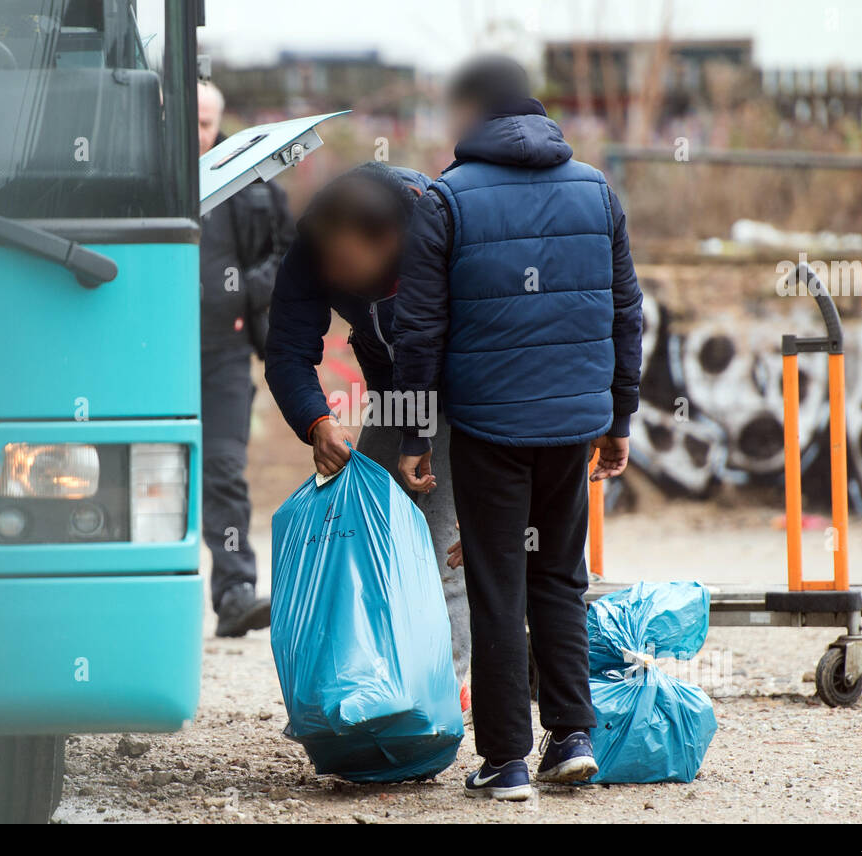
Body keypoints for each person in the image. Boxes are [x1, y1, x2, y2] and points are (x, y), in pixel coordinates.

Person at [391, 55, 644, 800]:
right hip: (571, 424)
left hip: (488, 426)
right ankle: (571, 735)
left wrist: (412, 437)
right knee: (561, 575)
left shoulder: (448, 198)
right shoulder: (596, 191)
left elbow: (418, 330)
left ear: (477, 123)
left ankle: (504, 761)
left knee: (497, 583)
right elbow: (626, 312)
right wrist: (618, 416)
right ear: (539, 119)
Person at [264, 162, 473, 698]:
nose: (336, 273)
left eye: (348, 261)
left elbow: (470, 341)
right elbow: (287, 350)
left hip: (467, 387)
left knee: (440, 535)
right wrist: (317, 421)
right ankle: (369, 677)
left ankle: (439, 695)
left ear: (389, 241)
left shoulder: (441, 230)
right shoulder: (313, 247)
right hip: (395, 388)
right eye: (328, 260)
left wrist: (422, 439)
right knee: (368, 524)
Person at [197, 81, 295, 637]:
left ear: (219, 121)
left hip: (226, 355)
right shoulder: (143, 178)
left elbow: (289, 255)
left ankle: (235, 593)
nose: (200, 133)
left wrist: (244, 295)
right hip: (147, 352)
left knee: (224, 469)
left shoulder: (251, 181)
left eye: (208, 123)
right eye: (191, 121)